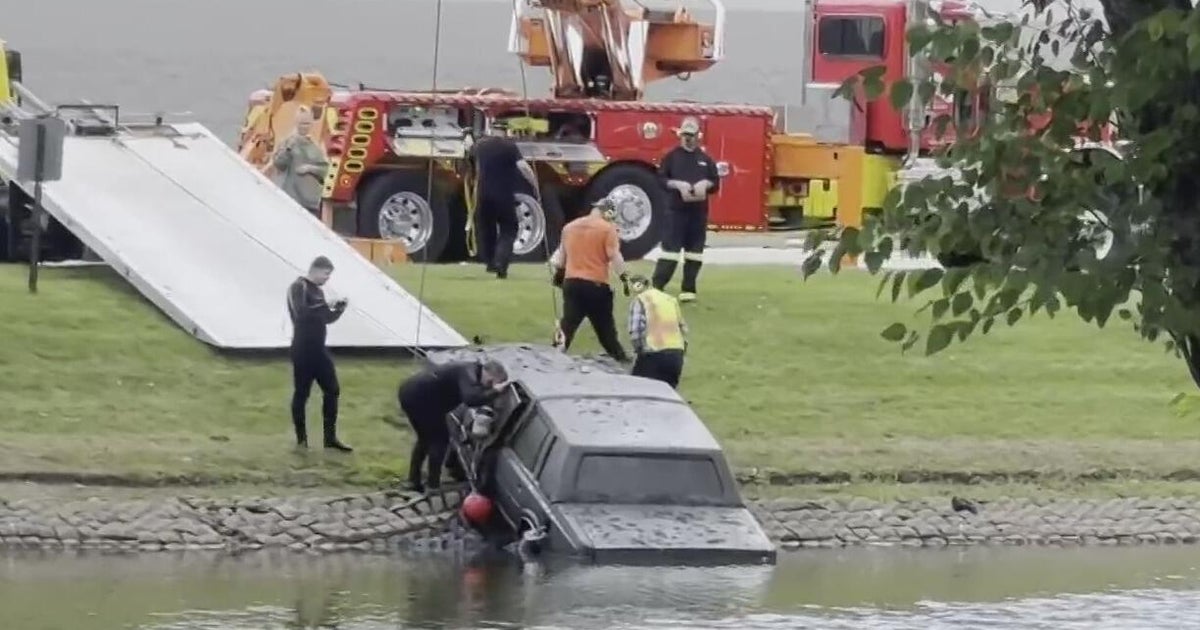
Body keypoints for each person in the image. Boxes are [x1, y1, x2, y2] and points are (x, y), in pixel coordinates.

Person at [398, 359, 510, 493]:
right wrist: (495, 391)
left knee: (424, 439)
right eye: (490, 382)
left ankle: (413, 481)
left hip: (411, 393)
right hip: (421, 400)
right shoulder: (468, 373)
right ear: (488, 373)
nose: (488, 386)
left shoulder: (470, 370)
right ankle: (432, 485)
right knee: (439, 441)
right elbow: (470, 399)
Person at [548, 196, 631, 362]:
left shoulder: (569, 227)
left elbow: (561, 259)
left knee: (567, 325)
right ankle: (620, 358)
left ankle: (553, 357)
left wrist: (558, 278)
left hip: (572, 284)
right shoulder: (608, 229)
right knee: (605, 328)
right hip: (596, 286)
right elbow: (615, 256)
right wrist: (624, 279)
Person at [286, 256, 352, 452]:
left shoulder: (319, 292)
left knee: (333, 390)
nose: (327, 279)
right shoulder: (298, 287)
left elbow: (324, 318)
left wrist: (338, 310)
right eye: (325, 274)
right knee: (302, 393)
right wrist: (325, 305)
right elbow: (302, 313)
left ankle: (330, 438)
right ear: (315, 270)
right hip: (303, 349)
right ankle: (301, 440)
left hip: (319, 349)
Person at [653, 116, 720, 302]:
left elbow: (715, 183)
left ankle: (688, 290)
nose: (687, 138)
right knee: (670, 252)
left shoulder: (705, 160)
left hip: (698, 213)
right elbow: (661, 179)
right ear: (679, 134)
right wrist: (677, 185)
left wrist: (705, 184)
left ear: (698, 135)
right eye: (684, 135)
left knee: (695, 253)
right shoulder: (671, 157)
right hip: (676, 212)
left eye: (690, 135)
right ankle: (657, 286)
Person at [471, 122, 537, 279]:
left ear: (490, 130)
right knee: (509, 229)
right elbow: (523, 167)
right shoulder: (509, 146)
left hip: (483, 195)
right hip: (504, 195)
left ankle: (490, 263)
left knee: (487, 230)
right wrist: (535, 184)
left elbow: (470, 161)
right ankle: (501, 262)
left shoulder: (480, 146)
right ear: (505, 131)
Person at [627, 274, 689, 388]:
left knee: (638, 392)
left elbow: (636, 331)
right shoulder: (670, 299)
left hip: (653, 353)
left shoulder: (641, 299)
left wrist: (639, 351)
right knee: (667, 395)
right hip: (676, 355)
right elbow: (683, 328)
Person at [271, 105, 330, 219]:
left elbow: (325, 170)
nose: (304, 127)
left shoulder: (316, 146)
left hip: (310, 203)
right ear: (296, 123)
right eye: (302, 123)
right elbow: (279, 164)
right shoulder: (288, 142)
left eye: (307, 123)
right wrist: (288, 149)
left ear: (312, 123)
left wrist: (310, 168)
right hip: (290, 199)